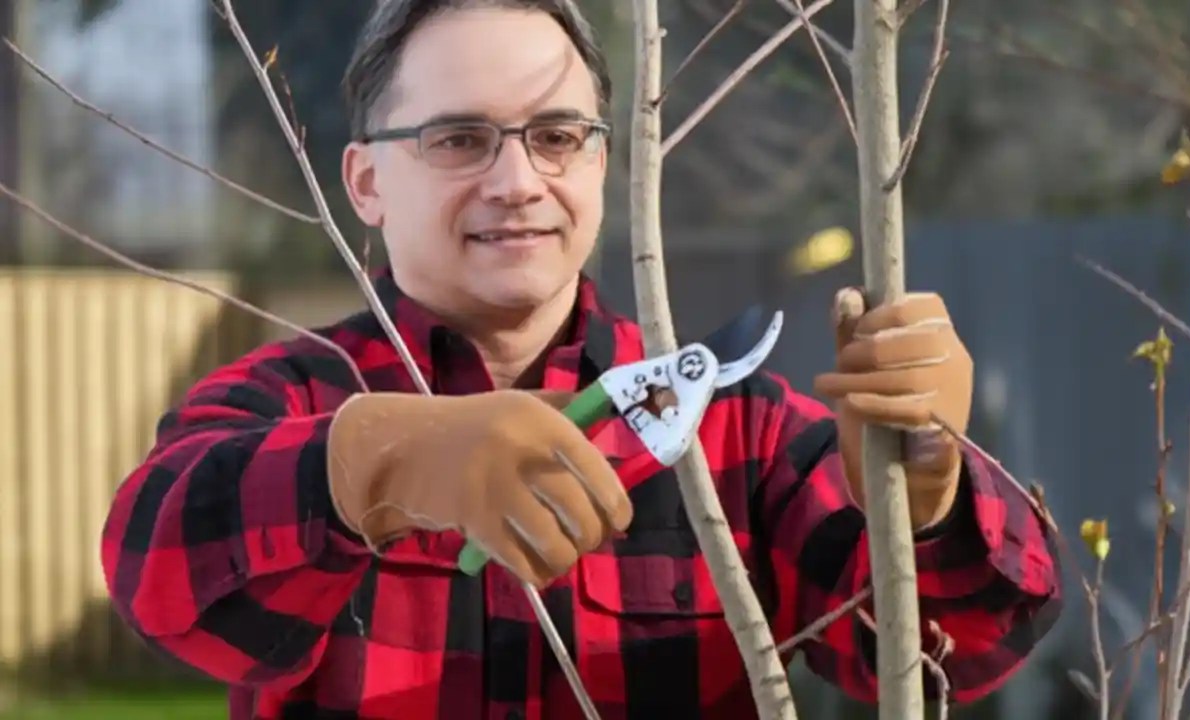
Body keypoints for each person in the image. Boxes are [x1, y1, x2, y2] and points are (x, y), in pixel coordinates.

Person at [99, 1, 1062, 718]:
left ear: (602, 163)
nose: (518, 181)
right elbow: (155, 571)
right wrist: (373, 464)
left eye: (557, 137)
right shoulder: (295, 397)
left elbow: (958, 648)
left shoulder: (733, 429)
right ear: (365, 182)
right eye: (460, 139)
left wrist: (926, 493)